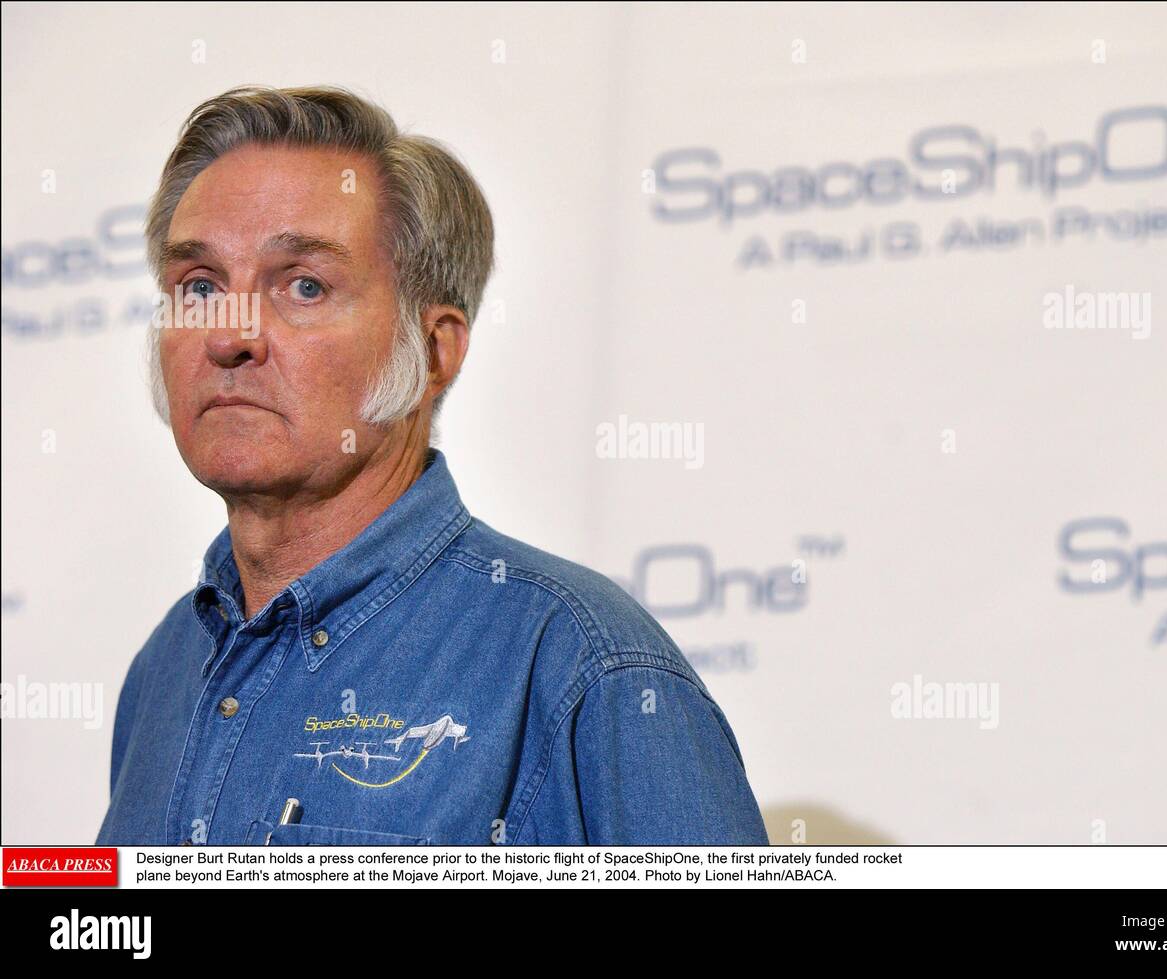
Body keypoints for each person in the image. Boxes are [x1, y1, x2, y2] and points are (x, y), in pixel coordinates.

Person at [95, 85, 768, 846]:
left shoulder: (588, 666)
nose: (230, 335)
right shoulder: (167, 666)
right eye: (200, 286)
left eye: (304, 285)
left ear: (435, 350)